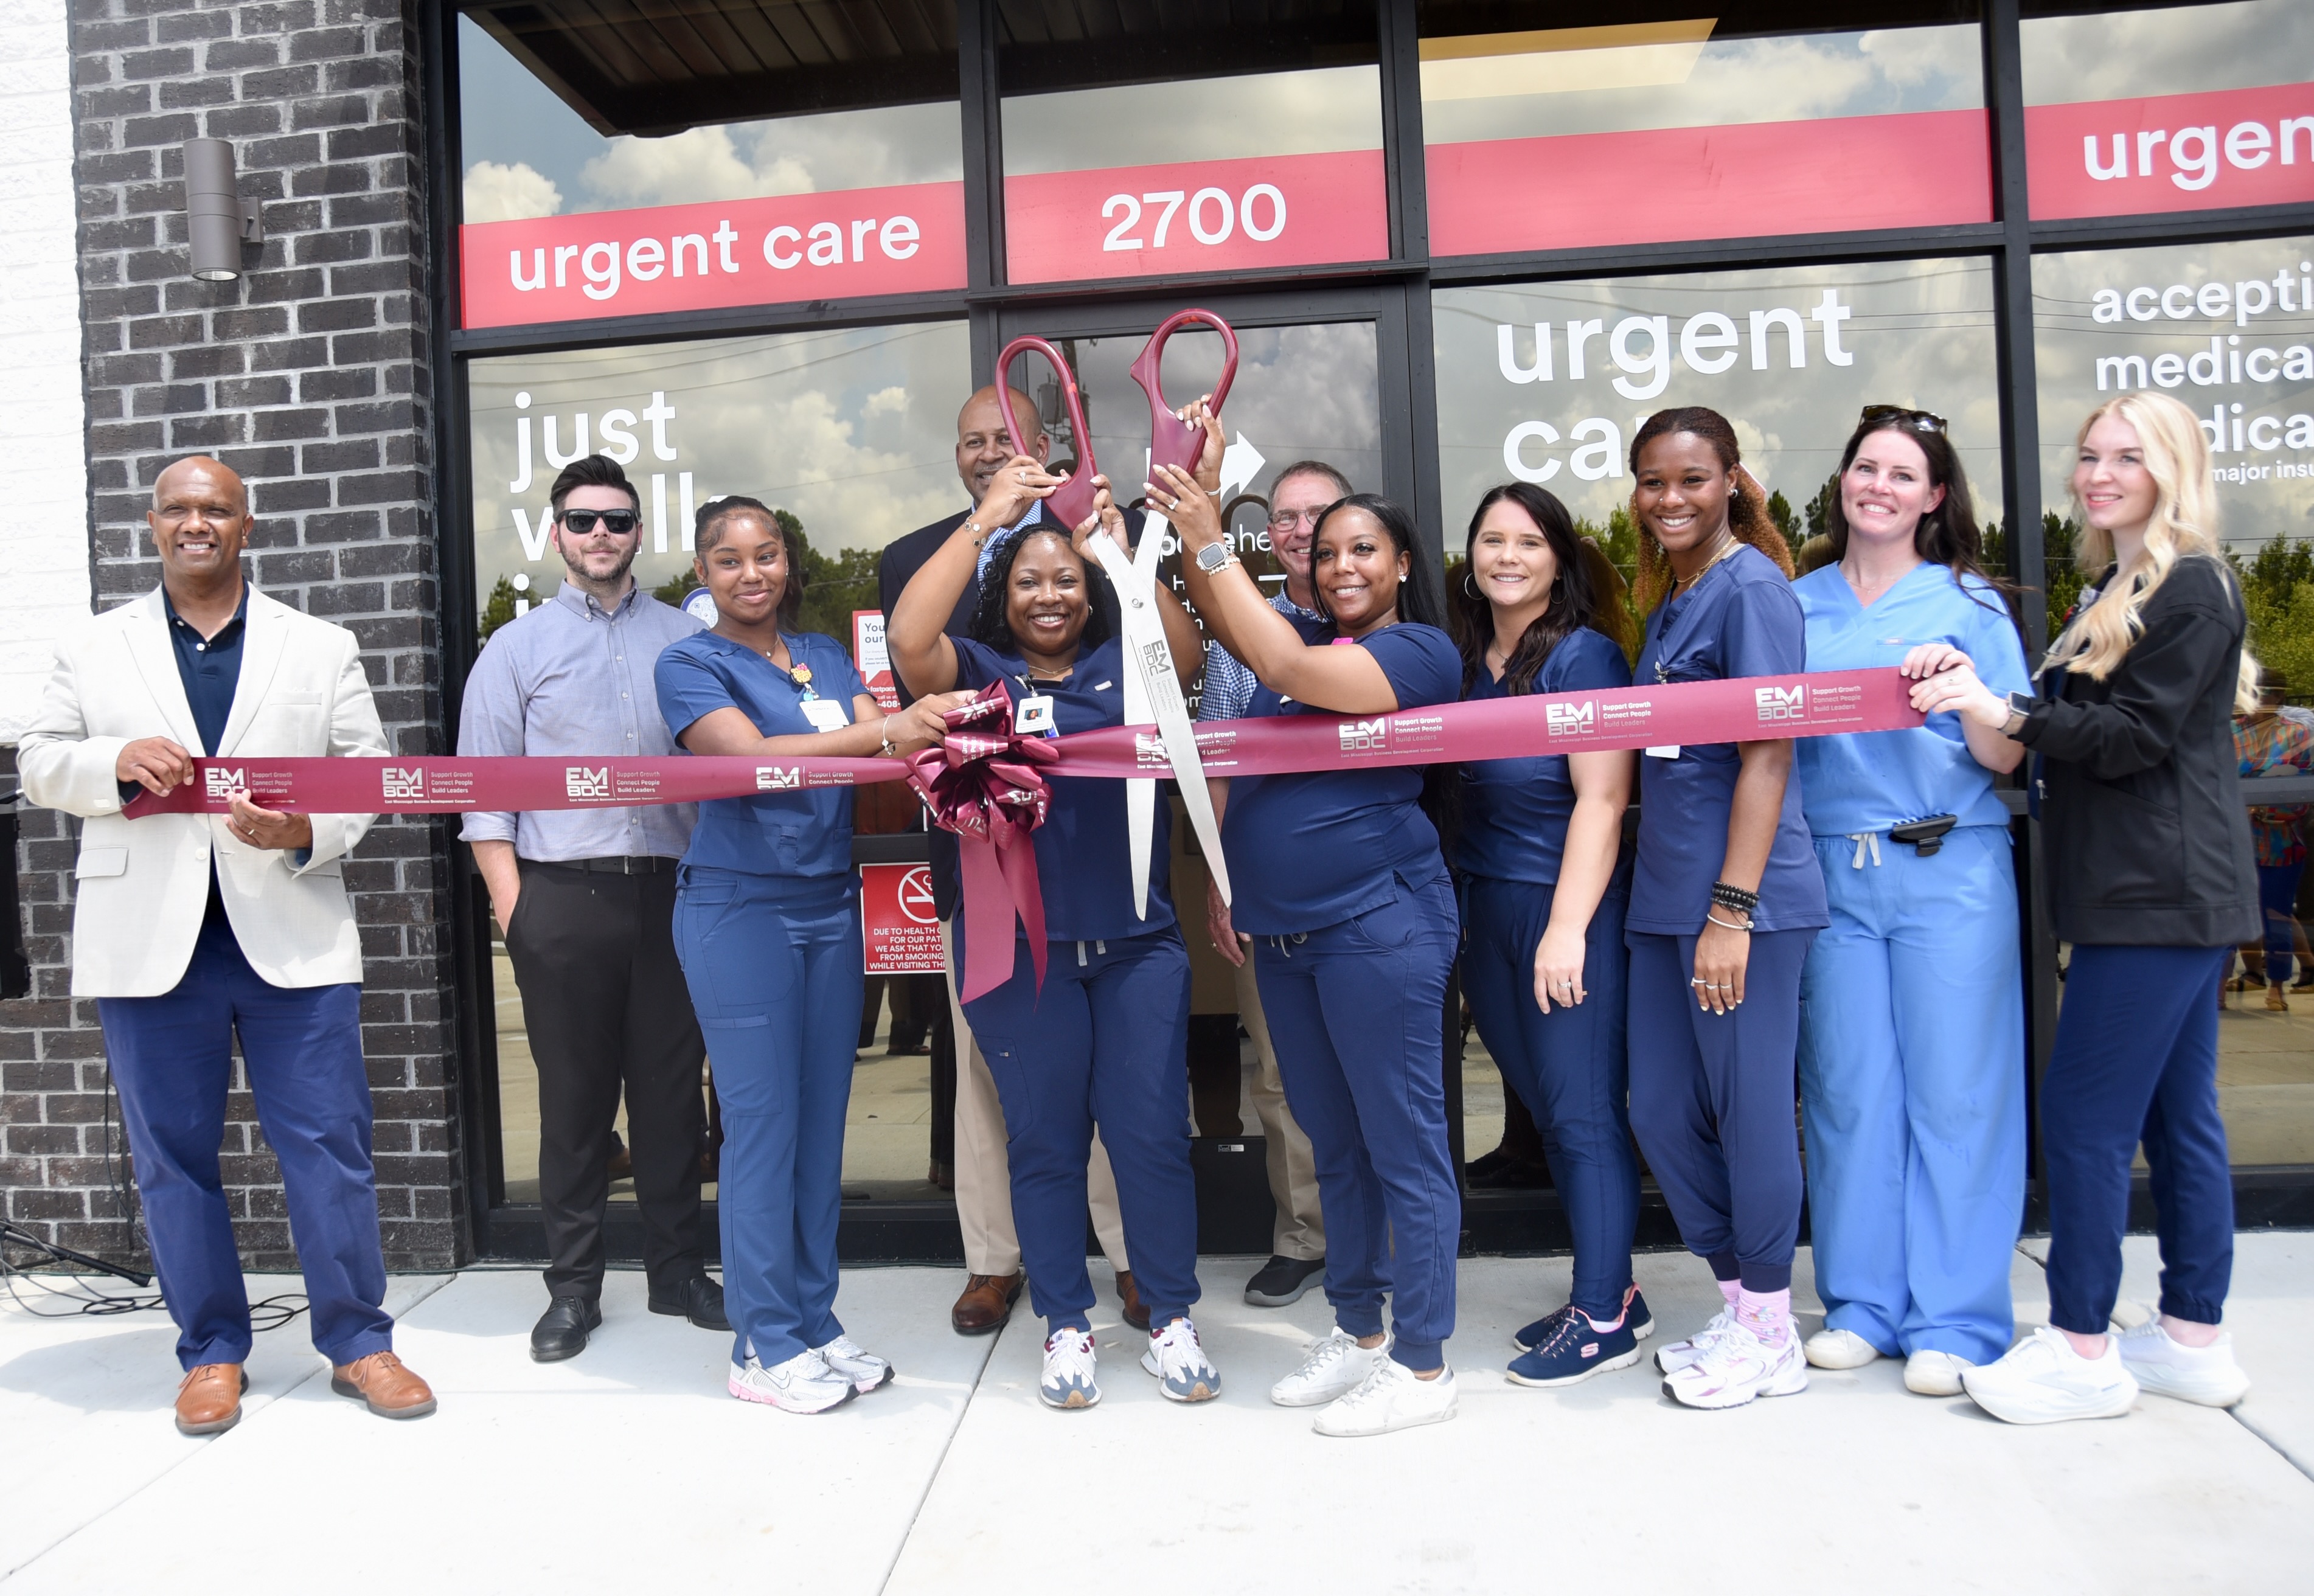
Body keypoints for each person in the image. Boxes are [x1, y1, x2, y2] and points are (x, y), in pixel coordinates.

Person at [19, 456, 435, 1433]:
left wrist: (304, 833)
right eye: (179, 509)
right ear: (152, 525)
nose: (197, 523)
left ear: (247, 527)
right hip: (150, 943)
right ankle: (210, 1353)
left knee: (329, 1147)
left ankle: (360, 1342)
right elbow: (39, 761)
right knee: (172, 1157)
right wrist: (112, 761)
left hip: (289, 934)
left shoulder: (318, 644)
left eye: (217, 509)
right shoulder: (94, 647)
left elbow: (366, 774)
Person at [1911, 391, 2259, 1424]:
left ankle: (2077, 1345)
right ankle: (2190, 1335)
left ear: (2170, 469)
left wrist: (1998, 706)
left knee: (2082, 1115)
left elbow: (2128, 738)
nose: (2097, 473)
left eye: (2126, 457)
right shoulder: (2123, 582)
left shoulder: (2187, 584)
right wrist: (1993, 691)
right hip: (2152, 893)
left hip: (2154, 897)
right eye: (2087, 455)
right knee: (2172, 1113)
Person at [890, 465, 1220, 1412]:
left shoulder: (1131, 669)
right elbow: (911, 640)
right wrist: (987, 518)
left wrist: (1110, 546)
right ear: (1006, 591)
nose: (1050, 594)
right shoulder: (980, 678)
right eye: (1030, 579)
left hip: (1137, 949)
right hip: (1023, 957)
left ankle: (1169, 1320)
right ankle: (1066, 1325)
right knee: (1043, 1145)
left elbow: (1188, 653)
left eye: (1065, 579)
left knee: (1152, 1138)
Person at [1166, 445, 1464, 1438]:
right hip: (1288, 940)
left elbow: (1283, 659)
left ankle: (1421, 1366)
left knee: (1402, 1148)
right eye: (1326, 550)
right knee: (1334, 1144)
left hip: (1375, 928)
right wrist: (1186, 511)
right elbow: (1227, 632)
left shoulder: (1416, 652)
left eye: (1363, 548)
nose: (1340, 565)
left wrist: (1210, 538)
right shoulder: (1295, 643)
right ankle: (1362, 1331)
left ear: (1403, 563)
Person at [656, 496, 957, 1414]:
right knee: (762, 1130)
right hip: (737, 910)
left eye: (769, 554)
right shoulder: (689, 663)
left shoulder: (826, 656)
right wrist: (889, 730)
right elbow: (751, 758)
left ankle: (815, 1322)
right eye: (729, 559)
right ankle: (762, 1342)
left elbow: (882, 752)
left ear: (790, 561)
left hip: (829, 907)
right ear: (703, 574)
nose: (753, 573)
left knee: (821, 1128)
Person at [876, 385, 1141, 1336]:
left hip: (1108, 868)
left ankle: (1128, 1256)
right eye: (973, 442)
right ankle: (995, 1261)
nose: (988, 453)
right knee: (989, 1077)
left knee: (1114, 1077)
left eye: (1007, 439)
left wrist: (1111, 538)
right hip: (983, 870)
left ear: (1045, 443)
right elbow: (914, 667)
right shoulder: (913, 558)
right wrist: (986, 525)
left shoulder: (1104, 528)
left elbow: (1156, 665)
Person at [459, 453, 727, 1363]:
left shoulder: (688, 643)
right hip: (562, 901)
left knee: (670, 1105)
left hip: (672, 897)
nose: (600, 534)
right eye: (582, 520)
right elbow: (483, 794)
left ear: (639, 532)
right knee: (575, 1107)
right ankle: (573, 1289)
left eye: (616, 519)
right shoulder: (515, 648)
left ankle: (677, 1273)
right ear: (557, 533)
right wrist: (517, 911)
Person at [1788, 409, 2031, 1398]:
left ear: (1933, 495)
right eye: (1863, 467)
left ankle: (1955, 1317)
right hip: (1830, 874)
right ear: (1840, 482)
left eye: (1901, 472)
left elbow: (2005, 752)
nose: (1877, 484)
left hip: (1946, 867)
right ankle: (1861, 1302)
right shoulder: (1790, 603)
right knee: (1847, 1091)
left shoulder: (1969, 604)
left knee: (1956, 1093)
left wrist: (1970, 695)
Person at [1619, 406, 1829, 1412]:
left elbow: (1768, 751)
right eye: (1652, 481)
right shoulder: (1674, 593)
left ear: (1731, 480)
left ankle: (1769, 1330)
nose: (1670, 499)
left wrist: (1731, 910)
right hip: (1662, 902)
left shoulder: (1752, 588)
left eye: (1690, 479)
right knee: (1655, 1106)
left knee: (1749, 1117)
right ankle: (1739, 1299)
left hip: (1738, 906)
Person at [1447, 482, 1650, 1387]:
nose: (1508, 557)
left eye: (1528, 541)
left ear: (1559, 558)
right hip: (1483, 908)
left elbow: (1604, 799)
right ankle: (1618, 1290)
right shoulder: (1463, 656)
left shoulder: (1585, 657)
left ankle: (1604, 1317)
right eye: (1492, 540)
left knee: (1580, 1114)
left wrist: (1567, 929)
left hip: (1559, 907)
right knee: (1542, 1100)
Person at [1198, 459, 1343, 1309]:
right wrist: (1221, 881)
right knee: (1282, 1076)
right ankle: (1305, 1237)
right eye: (1284, 518)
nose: (1296, 530)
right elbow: (1215, 765)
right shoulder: (1236, 638)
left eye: (1315, 515)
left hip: (1375, 889)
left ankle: (1389, 1238)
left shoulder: (1388, 624)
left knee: (1378, 1070)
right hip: (1268, 886)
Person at [2230, 675, 2313, 1011]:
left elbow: (2303, 794)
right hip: (2233, 839)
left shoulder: (2298, 734)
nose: (2265, 699)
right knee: (2236, 911)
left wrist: (2262, 811)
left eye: (2272, 694)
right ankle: (2244, 977)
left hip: (2281, 843)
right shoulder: (2228, 734)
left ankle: (2278, 985)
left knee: (2277, 914)